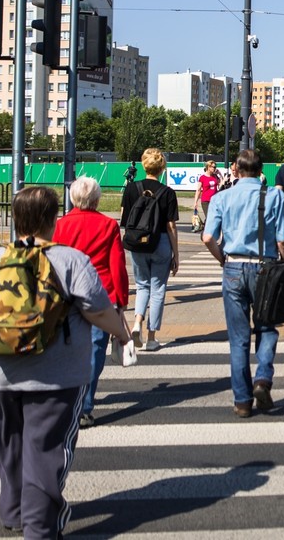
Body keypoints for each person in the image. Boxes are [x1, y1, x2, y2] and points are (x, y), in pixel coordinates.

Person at [0, 186, 133, 538]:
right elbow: (100, 311)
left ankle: (14, 513)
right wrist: (123, 333)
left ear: (16, 220)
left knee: (9, 443)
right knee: (46, 451)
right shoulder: (71, 261)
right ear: (52, 219)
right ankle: (40, 528)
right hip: (56, 377)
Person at [201, 150, 284, 418]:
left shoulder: (221, 198)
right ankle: (263, 379)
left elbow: (207, 237)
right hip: (265, 267)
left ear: (237, 171)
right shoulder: (274, 196)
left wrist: (222, 259)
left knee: (238, 338)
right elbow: (283, 239)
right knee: (267, 327)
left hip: (233, 267)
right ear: (261, 170)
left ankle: (242, 401)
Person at [53, 177, 130, 429]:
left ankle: (66, 398)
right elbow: (116, 264)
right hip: (101, 293)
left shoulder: (61, 225)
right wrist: (121, 300)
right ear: (96, 199)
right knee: (95, 351)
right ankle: (85, 406)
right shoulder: (108, 225)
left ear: (73, 198)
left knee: (66, 348)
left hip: (67, 294)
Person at [120, 148, 179, 351]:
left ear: (144, 165)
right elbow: (171, 226)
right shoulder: (168, 193)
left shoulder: (131, 189)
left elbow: (125, 219)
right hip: (161, 242)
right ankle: (152, 337)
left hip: (137, 243)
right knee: (158, 289)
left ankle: (137, 323)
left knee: (142, 285)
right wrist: (175, 254)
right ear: (162, 168)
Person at [192, 160, 221, 233]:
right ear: (208, 167)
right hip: (206, 200)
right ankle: (208, 232)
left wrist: (220, 174)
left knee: (214, 216)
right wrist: (195, 202)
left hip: (214, 200)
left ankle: (204, 226)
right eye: (213, 167)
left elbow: (221, 185)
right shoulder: (202, 177)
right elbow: (198, 190)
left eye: (215, 167)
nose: (214, 168)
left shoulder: (215, 176)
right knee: (209, 216)